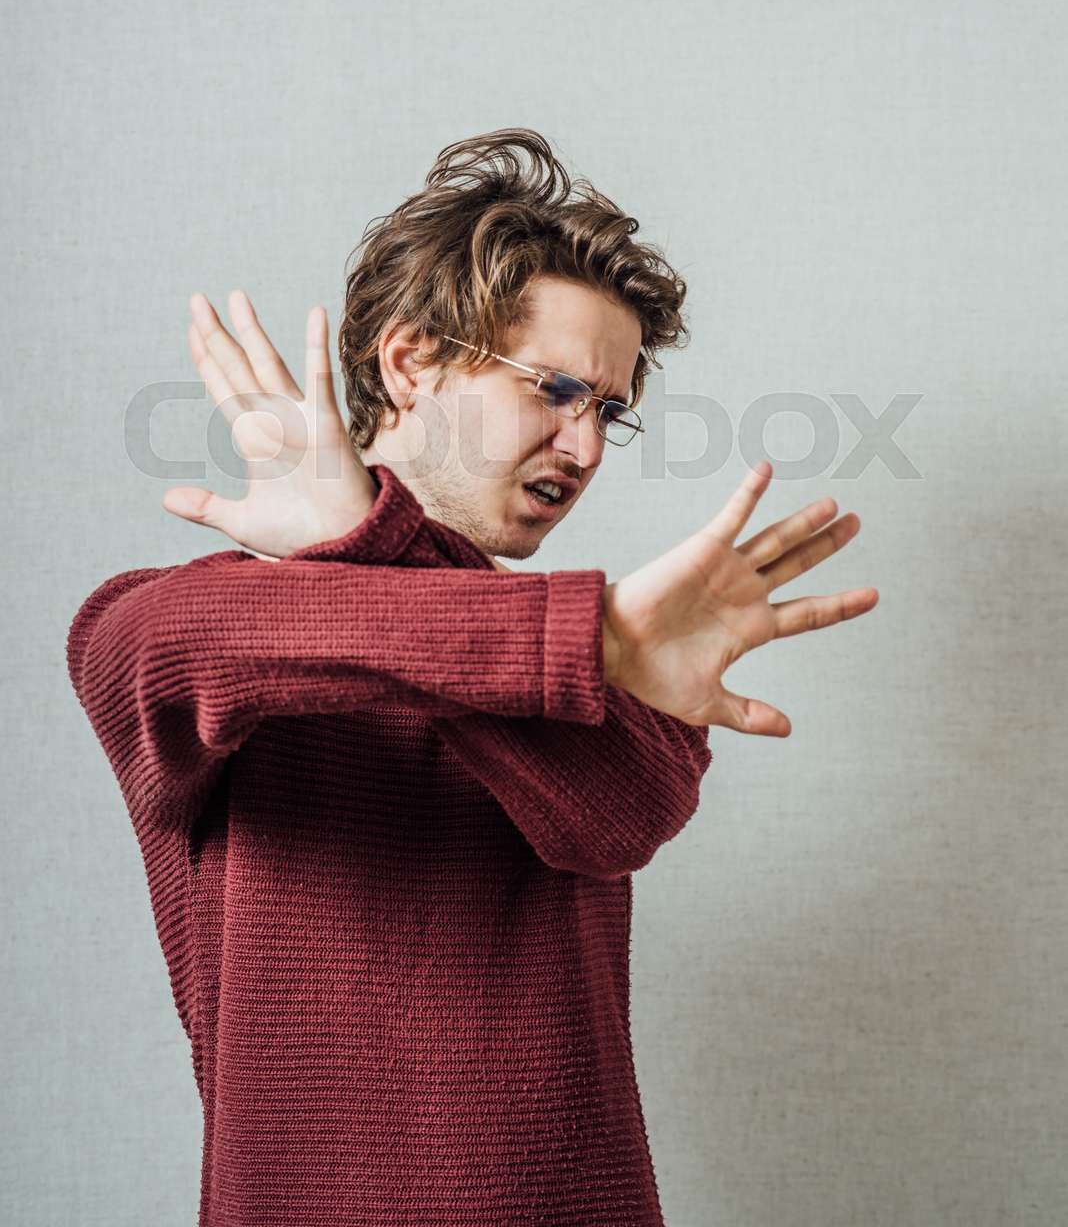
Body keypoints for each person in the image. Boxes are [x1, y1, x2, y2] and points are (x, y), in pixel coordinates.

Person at [66, 129, 878, 1227]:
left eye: (608, 410)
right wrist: (559, 626)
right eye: (556, 389)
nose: (586, 449)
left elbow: (618, 816)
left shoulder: (614, 653)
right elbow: (157, 649)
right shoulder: (585, 641)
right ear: (411, 363)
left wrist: (375, 544)